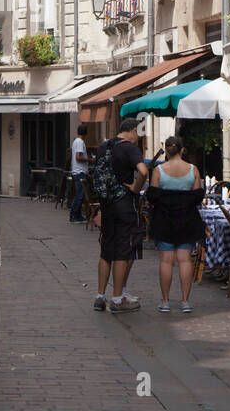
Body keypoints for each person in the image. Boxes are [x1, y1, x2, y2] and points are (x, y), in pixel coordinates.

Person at [93, 116, 148, 313]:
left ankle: (100, 297)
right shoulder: (129, 148)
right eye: (138, 134)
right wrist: (136, 187)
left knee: (106, 251)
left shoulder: (103, 147)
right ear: (132, 130)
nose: (138, 138)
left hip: (107, 204)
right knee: (123, 252)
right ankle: (117, 300)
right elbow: (143, 171)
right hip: (125, 205)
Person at [146, 135, 205, 314]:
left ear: (167, 150)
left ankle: (165, 301)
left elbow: (152, 196)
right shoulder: (193, 170)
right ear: (182, 150)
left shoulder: (158, 170)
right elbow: (198, 196)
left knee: (166, 261)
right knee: (185, 260)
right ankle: (185, 301)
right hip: (187, 220)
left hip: (164, 220)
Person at [69, 122, 89, 223]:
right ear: (85, 133)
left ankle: (78, 215)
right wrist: (90, 160)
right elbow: (78, 157)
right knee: (79, 194)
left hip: (77, 171)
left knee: (79, 194)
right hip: (80, 171)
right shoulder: (80, 142)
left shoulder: (75, 141)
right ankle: (74, 216)